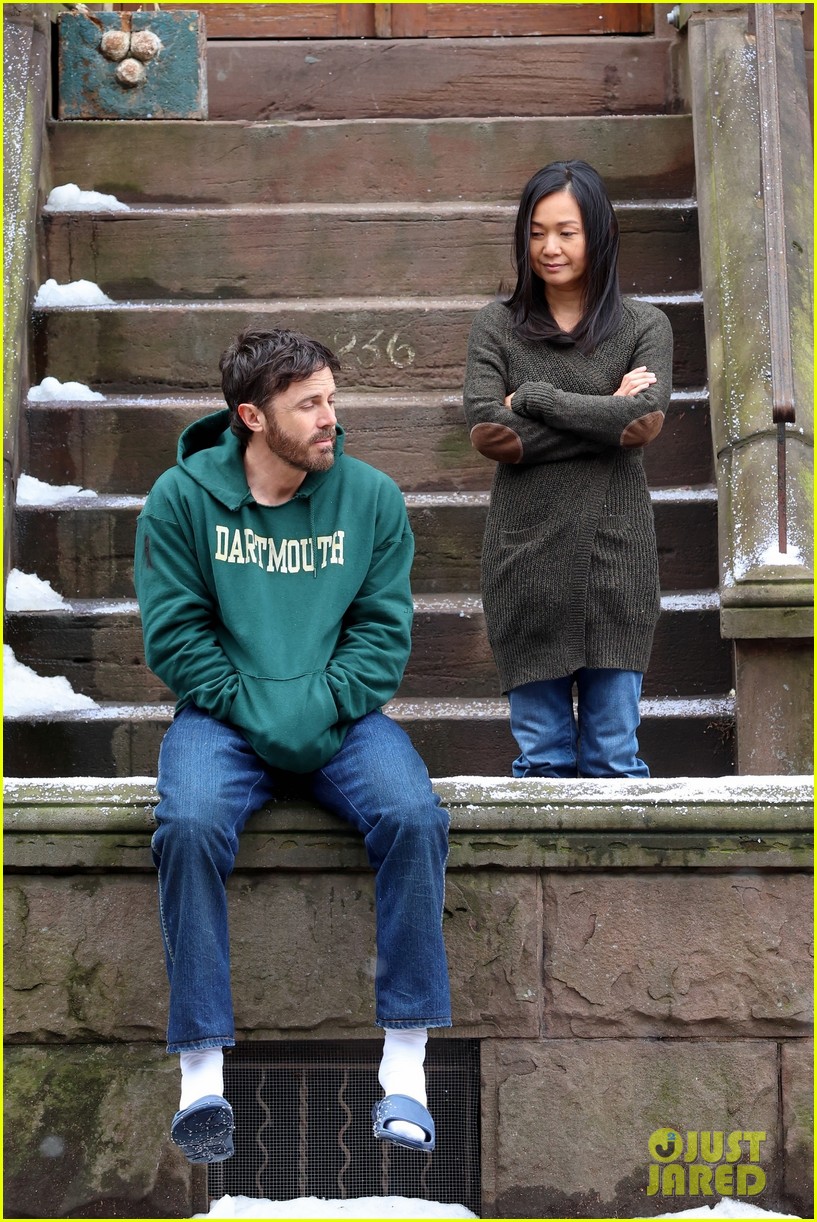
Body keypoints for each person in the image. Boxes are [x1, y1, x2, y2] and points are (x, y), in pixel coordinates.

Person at [134, 327, 450, 1164]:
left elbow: (382, 633)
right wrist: (255, 709)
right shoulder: (179, 500)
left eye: (331, 399)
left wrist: (322, 707)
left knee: (414, 815)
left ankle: (406, 1067)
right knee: (189, 823)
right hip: (222, 718)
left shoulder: (370, 498)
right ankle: (201, 1073)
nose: (329, 420)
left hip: (344, 717)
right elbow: (175, 637)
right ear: (250, 416)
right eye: (307, 404)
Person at [462, 160, 673, 778]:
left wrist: (536, 399)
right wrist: (606, 411)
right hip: (525, 567)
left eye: (566, 231)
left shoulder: (644, 326)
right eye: (535, 232)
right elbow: (490, 433)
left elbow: (642, 425)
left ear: (598, 235)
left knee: (613, 761)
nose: (548, 248)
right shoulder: (495, 327)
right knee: (543, 764)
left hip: (617, 564)